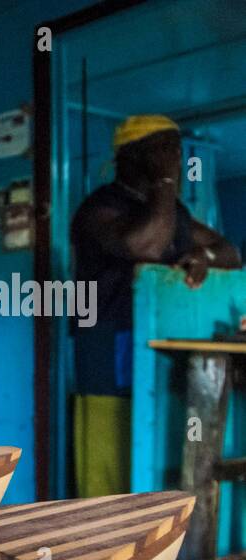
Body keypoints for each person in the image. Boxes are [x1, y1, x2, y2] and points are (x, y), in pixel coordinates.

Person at [70, 115, 241, 497]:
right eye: (163, 150)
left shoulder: (175, 212)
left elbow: (231, 253)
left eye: (176, 152)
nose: (175, 160)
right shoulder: (99, 208)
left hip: (155, 347)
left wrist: (204, 255)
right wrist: (164, 183)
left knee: (149, 461)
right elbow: (143, 245)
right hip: (105, 349)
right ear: (131, 156)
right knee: (107, 475)